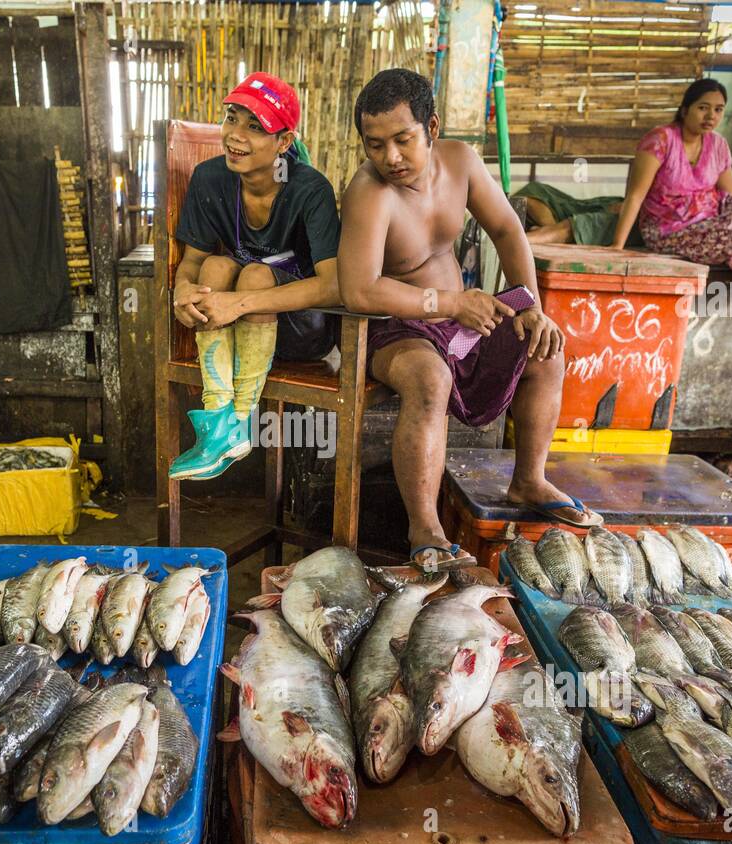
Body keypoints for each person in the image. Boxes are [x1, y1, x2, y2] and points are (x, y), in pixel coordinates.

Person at [338, 69, 603, 572]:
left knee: (544, 344)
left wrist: (530, 305)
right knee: (430, 378)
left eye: (402, 140)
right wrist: (451, 302)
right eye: (374, 145)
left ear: (432, 127)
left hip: (459, 319)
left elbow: (507, 229)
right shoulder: (369, 193)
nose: (389, 157)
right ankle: (424, 526)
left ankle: (529, 479)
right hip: (394, 327)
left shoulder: (461, 161)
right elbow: (360, 290)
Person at [168, 72, 343, 480]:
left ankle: (242, 421)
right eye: (232, 118)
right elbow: (193, 261)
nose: (235, 135)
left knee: (255, 277)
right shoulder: (211, 178)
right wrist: (183, 292)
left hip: (303, 330)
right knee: (214, 267)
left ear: (283, 142)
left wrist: (239, 303)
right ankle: (219, 425)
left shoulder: (308, 189)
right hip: (240, 327)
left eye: (255, 127)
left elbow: (334, 286)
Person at [611, 78, 732, 300]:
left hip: (709, 221)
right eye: (703, 108)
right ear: (685, 109)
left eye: (718, 110)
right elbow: (635, 195)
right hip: (668, 229)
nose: (711, 116)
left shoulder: (718, 145)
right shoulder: (661, 140)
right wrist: (617, 246)